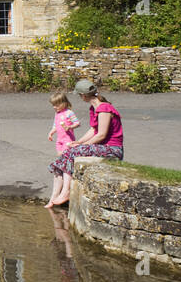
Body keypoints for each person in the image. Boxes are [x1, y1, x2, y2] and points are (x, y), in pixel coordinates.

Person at [45, 79, 124, 208]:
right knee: (67, 153)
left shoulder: (104, 108)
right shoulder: (94, 108)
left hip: (112, 149)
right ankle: (54, 197)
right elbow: (93, 129)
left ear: (84, 95)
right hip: (102, 147)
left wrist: (82, 145)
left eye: (80, 95)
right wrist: (79, 142)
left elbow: (101, 134)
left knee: (72, 152)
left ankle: (66, 192)